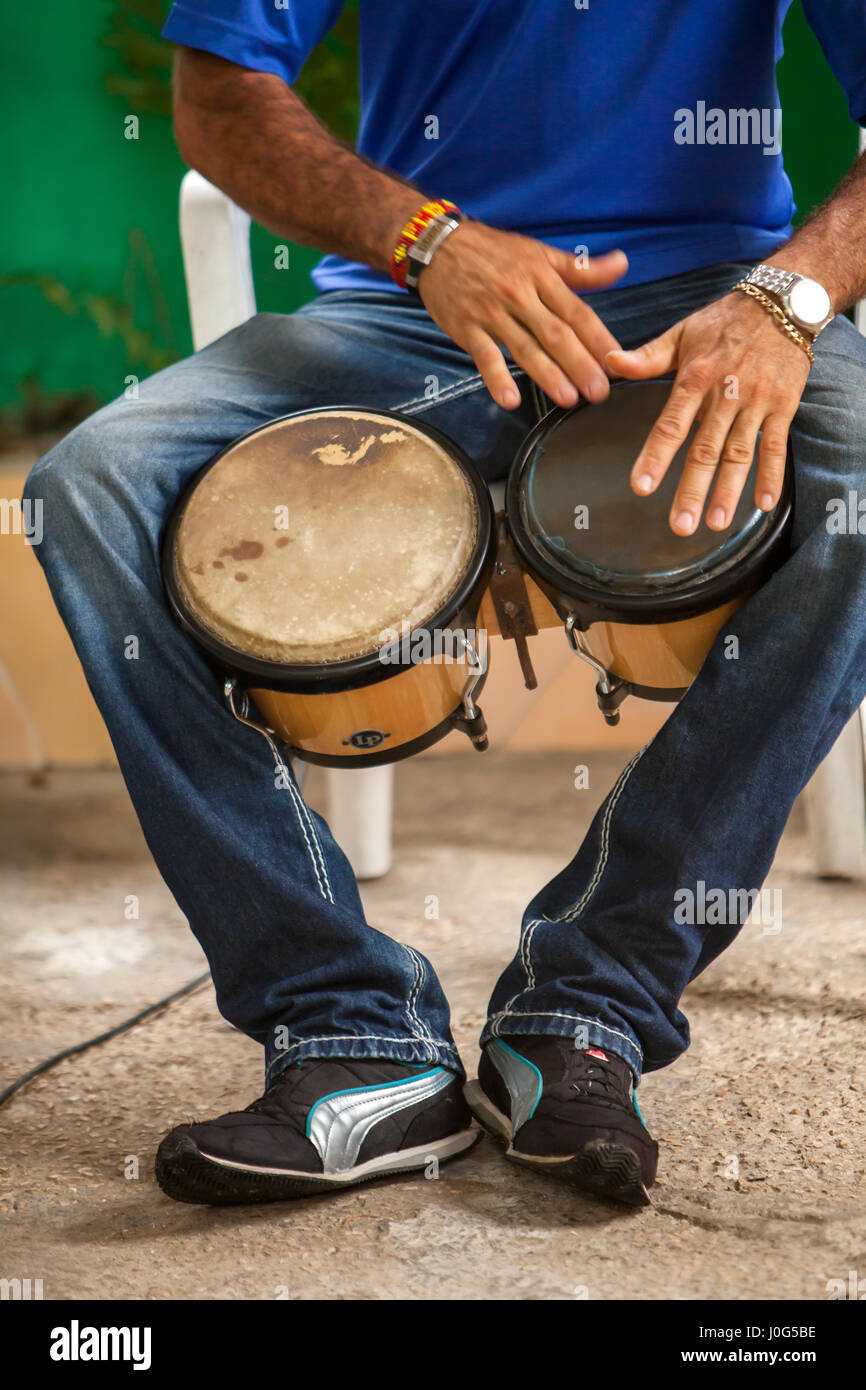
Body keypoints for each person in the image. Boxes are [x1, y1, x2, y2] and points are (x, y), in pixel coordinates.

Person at [24, 1, 866, 1207]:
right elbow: (217, 93)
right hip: (399, 313)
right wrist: (429, 238)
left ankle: (585, 1001)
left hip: (706, 307)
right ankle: (348, 1031)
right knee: (90, 487)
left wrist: (784, 301)